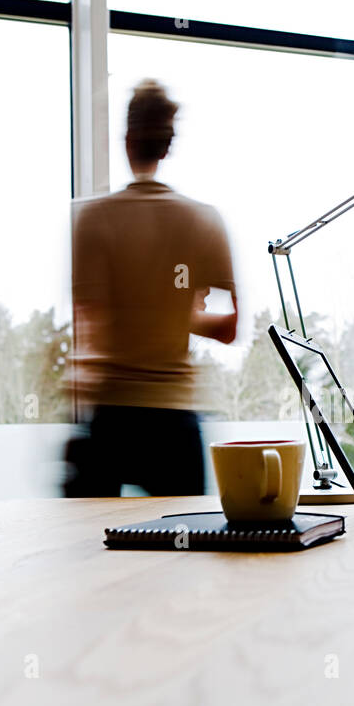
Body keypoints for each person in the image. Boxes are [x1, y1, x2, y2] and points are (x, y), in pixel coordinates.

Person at [65, 79, 237, 496]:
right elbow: (230, 327)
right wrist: (176, 313)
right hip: (173, 422)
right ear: (168, 145)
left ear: (127, 140)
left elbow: (91, 326)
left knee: (90, 553)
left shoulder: (93, 219)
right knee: (182, 549)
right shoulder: (204, 220)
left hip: (111, 419)